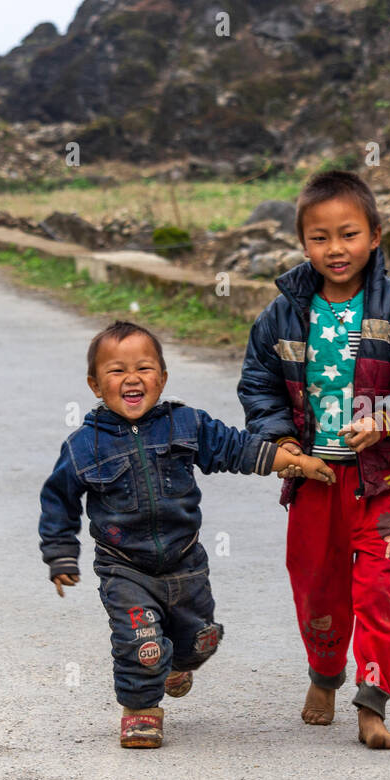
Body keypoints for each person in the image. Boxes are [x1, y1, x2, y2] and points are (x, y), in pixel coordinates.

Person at [39, 320, 335, 749]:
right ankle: (141, 711)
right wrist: (62, 555)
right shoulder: (85, 446)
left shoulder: (186, 424)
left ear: (162, 377)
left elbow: (238, 447)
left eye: (144, 367)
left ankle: (179, 660)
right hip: (125, 568)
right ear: (94, 384)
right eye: (116, 371)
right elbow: (59, 502)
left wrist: (295, 462)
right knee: (139, 642)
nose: (132, 378)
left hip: (185, 563)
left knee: (199, 642)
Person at [238, 170, 390, 750]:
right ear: (302, 242)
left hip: (382, 482)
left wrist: (385, 418)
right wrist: (278, 439)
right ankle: (325, 675)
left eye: (349, 234)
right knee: (317, 586)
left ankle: (371, 702)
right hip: (314, 479)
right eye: (320, 237)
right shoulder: (283, 313)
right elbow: (258, 381)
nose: (336, 249)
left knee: (379, 588)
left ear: (376, 235)